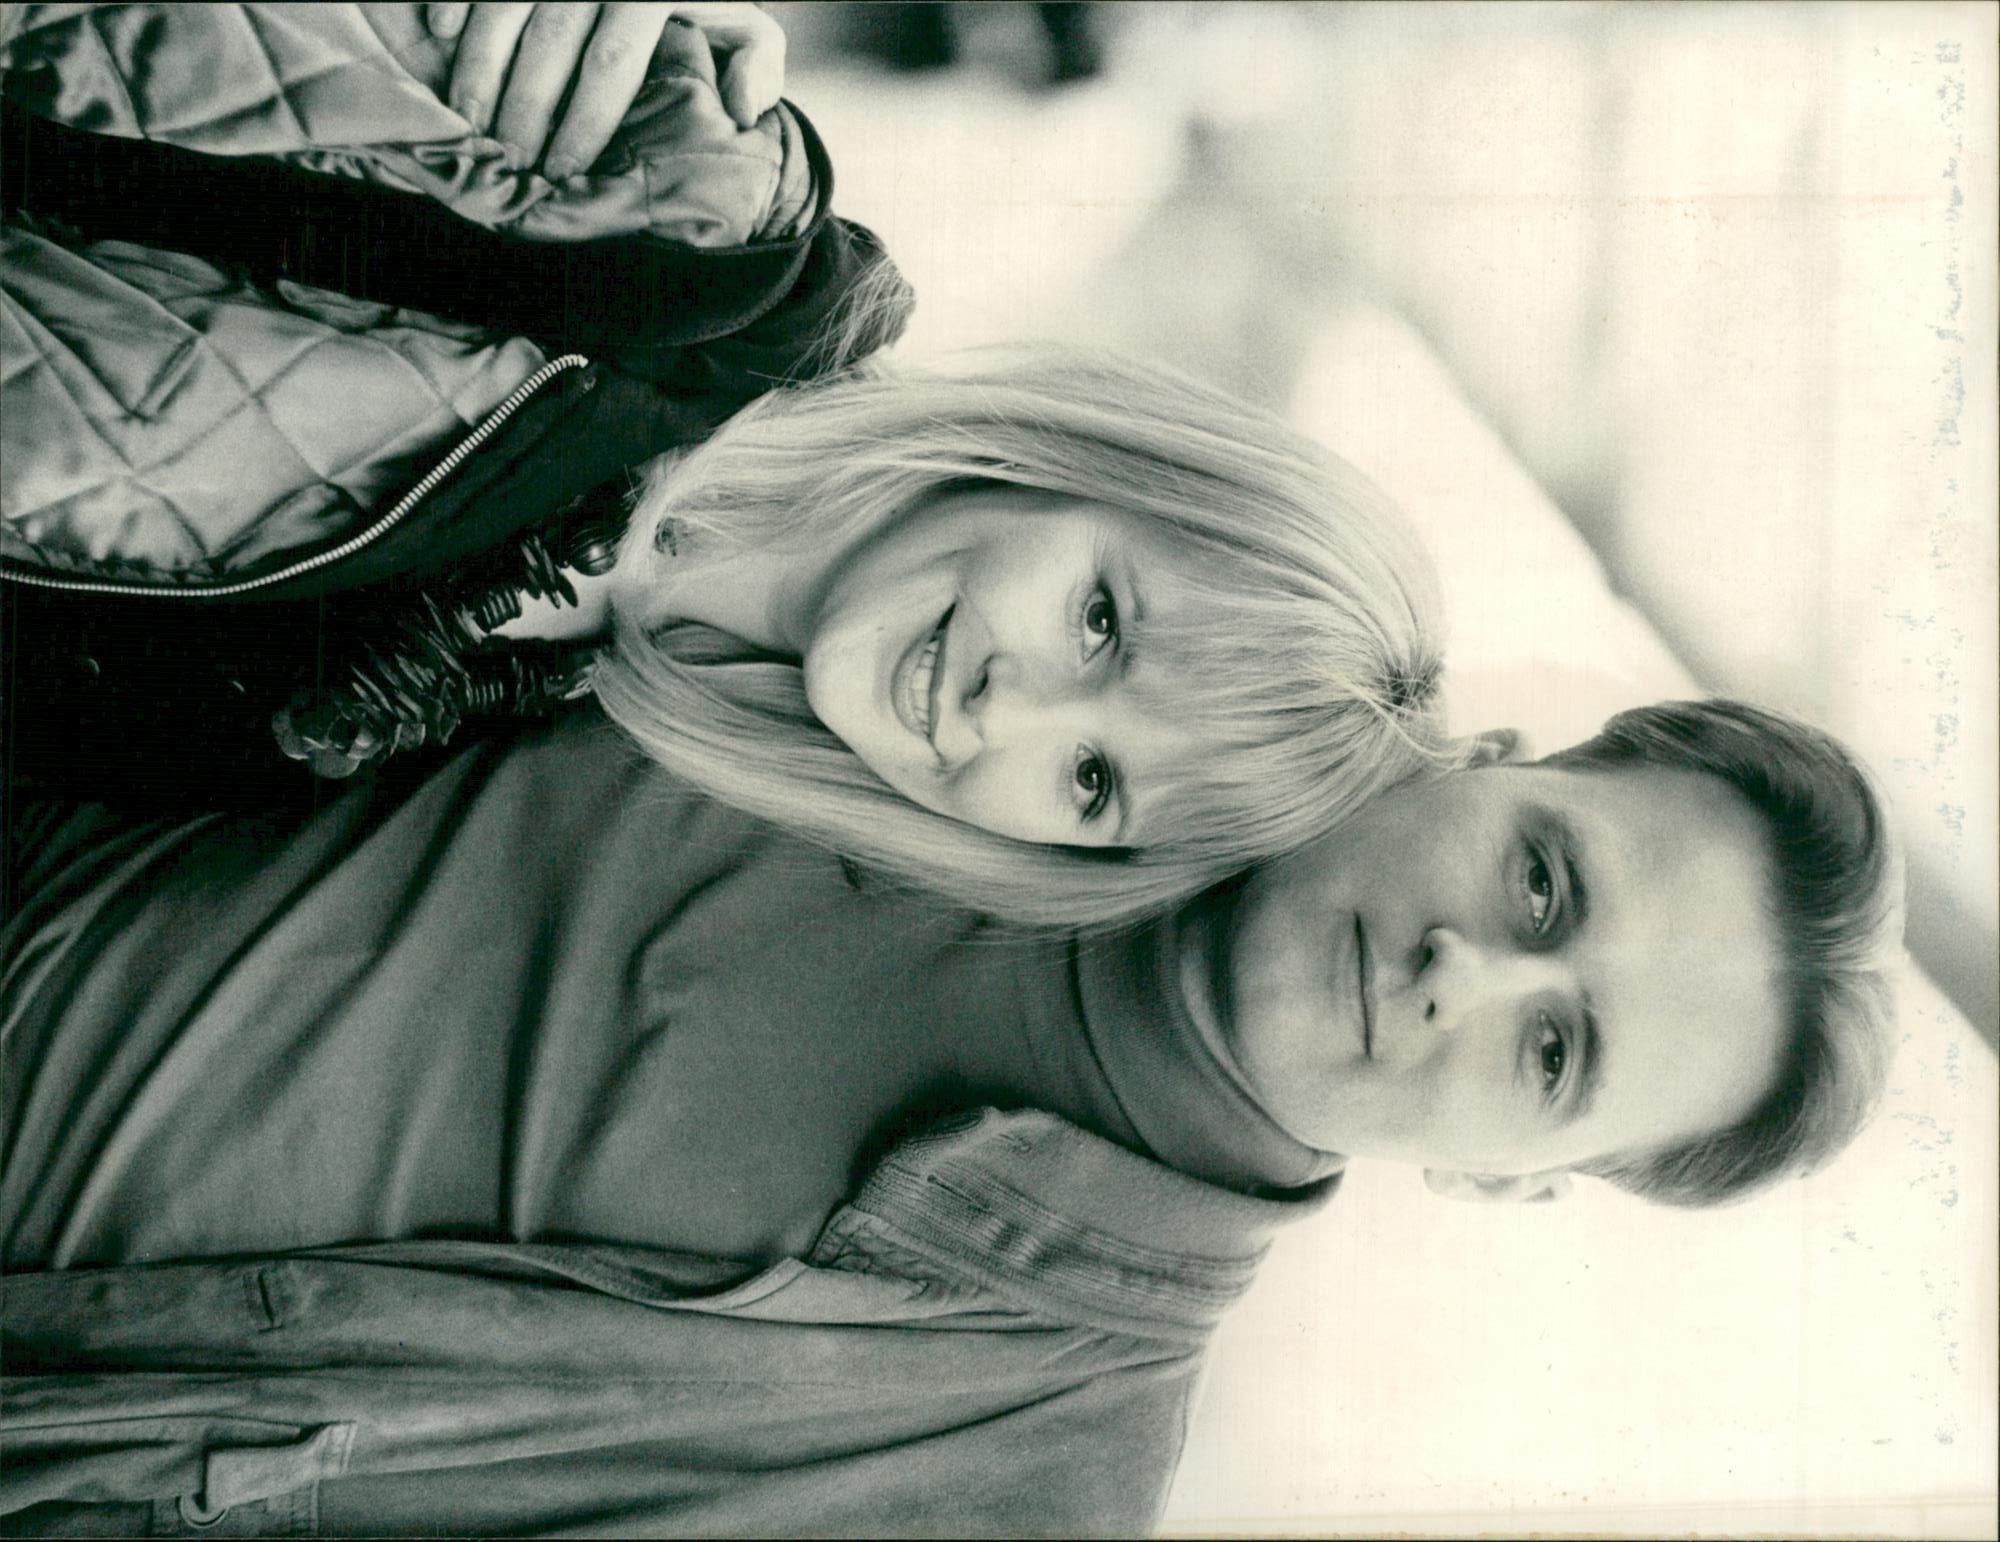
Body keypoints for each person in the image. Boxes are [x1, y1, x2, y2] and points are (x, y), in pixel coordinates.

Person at [0, 696, 1904, 1535]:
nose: (1464, 977)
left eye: (1552, 1053)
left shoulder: (1020, 1483)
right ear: (1502, 757)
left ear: (1507, 1175)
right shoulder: (1031, 650)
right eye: (1546, 886)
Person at [0, 0, 1456, 929]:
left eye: (1091, 781)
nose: (1018, 708)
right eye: (1102, 620)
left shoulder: (550, 728)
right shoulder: (689, 222)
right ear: (1076, 467)